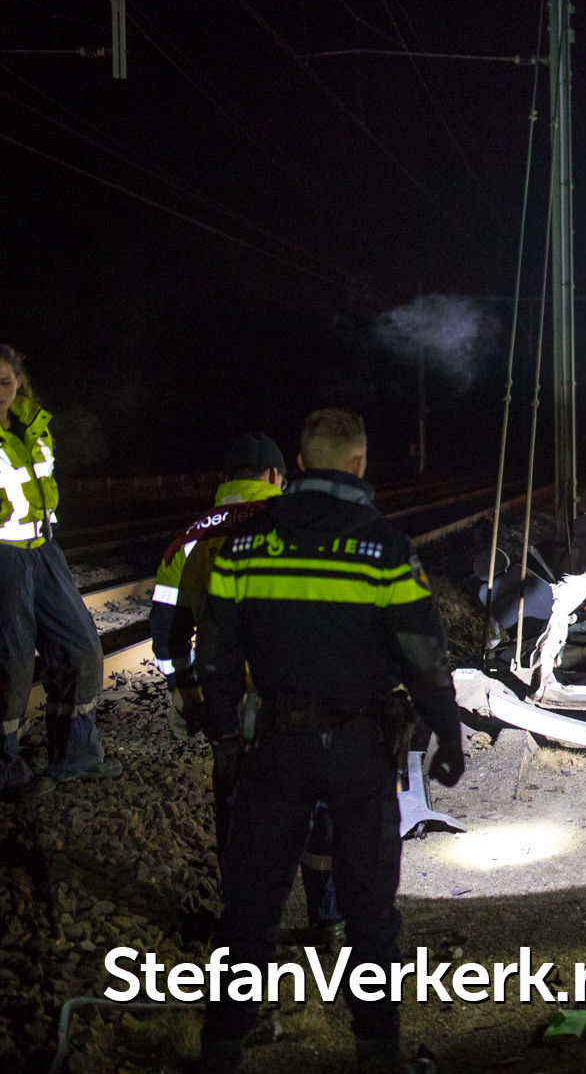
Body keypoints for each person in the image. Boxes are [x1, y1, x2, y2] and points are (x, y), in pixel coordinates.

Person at [195, 408, 462, 1074]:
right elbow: (424, 656)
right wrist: (447, 731)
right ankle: (378, 1053)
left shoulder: (244, 545)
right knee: (370, 910)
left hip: (273, 749)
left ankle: (222, 1048)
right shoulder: (385, 547)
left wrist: (226, 736)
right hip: (359, 752)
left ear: (300, 463)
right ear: (360, 463)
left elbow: (215, 656)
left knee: (250, 907)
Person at [151, 432, 343, 947]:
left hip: (229, 701)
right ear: (275, 476)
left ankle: (247, 927)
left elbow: (167, 630)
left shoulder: (190, 538)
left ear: (226, 480)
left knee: (239, 810)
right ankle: (329, 918)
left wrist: (186, 692)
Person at [0, 343, 118, 795]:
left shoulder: (32, 425)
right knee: (9, 661)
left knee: (80, 646)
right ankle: (5, 769)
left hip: (44, 547)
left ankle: (75, 756)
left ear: (19, 381)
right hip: (4, 553)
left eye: (6, 381)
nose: (1, 391)